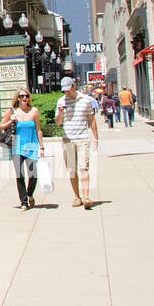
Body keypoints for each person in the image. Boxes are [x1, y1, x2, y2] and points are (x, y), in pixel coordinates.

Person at [55, 75, 99, 209]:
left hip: (82, 138)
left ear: (74, 86)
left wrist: (96, 138)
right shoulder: (61, 101)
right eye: (64, 90)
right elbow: (57, 123)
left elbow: (91, 120)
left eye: (68, 89)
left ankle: (86, 197)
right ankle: (76, 197)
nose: (66, 92)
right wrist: (60, 113)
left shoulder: (86, 100)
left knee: (83, 168)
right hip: (67, 139)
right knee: (72, 170)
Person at [1, 87, 44, 210]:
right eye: (21, 96)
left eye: (26, 96)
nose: (24, 98)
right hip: (17, 147)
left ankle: (30, 194)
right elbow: (1, 126)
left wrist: (42, 147)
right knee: (20, 175)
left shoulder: (34, 111)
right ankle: (24, 202)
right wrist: (11, 121)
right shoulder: (13, 112)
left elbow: (38, 130)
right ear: (18, 98)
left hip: (31, 146)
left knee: (33, 175)